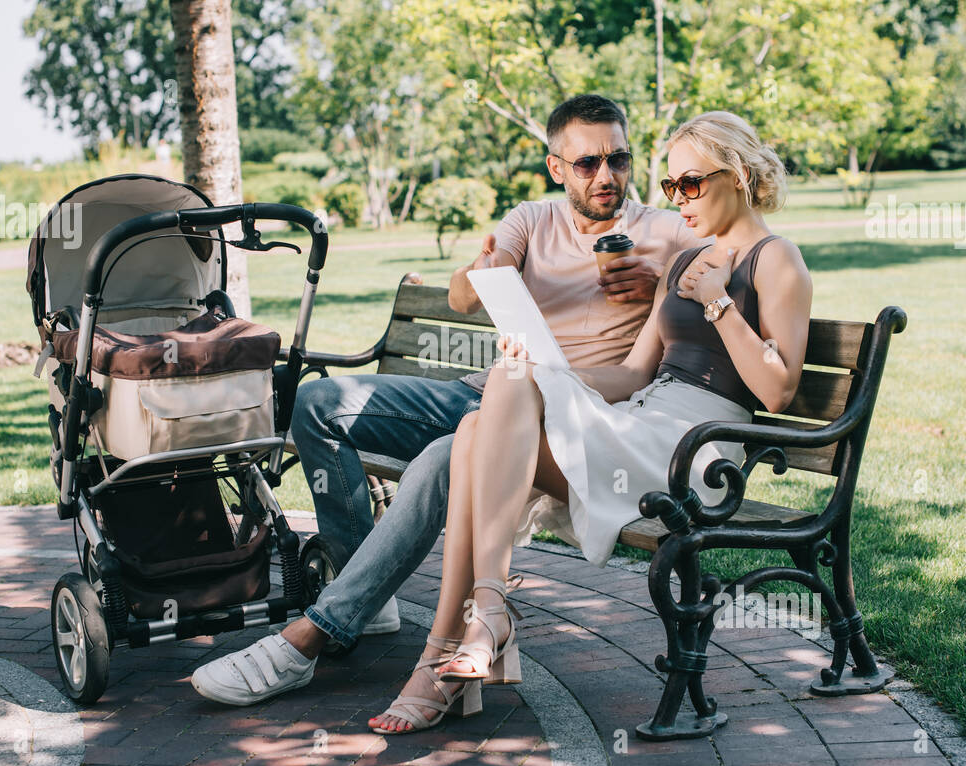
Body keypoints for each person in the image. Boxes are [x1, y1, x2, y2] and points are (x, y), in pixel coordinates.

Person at [189, 93, 697, 707]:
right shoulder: (531, 220)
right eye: (587, 163)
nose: (606, 176)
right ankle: (365, 598)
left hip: (559, 421)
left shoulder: (664, 232)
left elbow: (730, 263)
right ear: (556, 167)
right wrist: (482, 267)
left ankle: (312, 636)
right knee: (320, 403)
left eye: (618, 159)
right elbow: (463, 298)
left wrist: (657, 282)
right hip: (485, 393)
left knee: (439, 462)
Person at [368, 110, 813, 733]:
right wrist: (551, 373)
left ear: (735, 175)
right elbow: (633, 374)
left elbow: (780, 387)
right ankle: (481, 617)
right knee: (493, 404)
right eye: (669, 187)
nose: (677, 199)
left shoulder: (775, 259)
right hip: (643, 418)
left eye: (690, 184)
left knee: (483, 422)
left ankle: (450, 651)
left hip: (698, 452)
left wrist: (718, 303)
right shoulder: (688, 260)